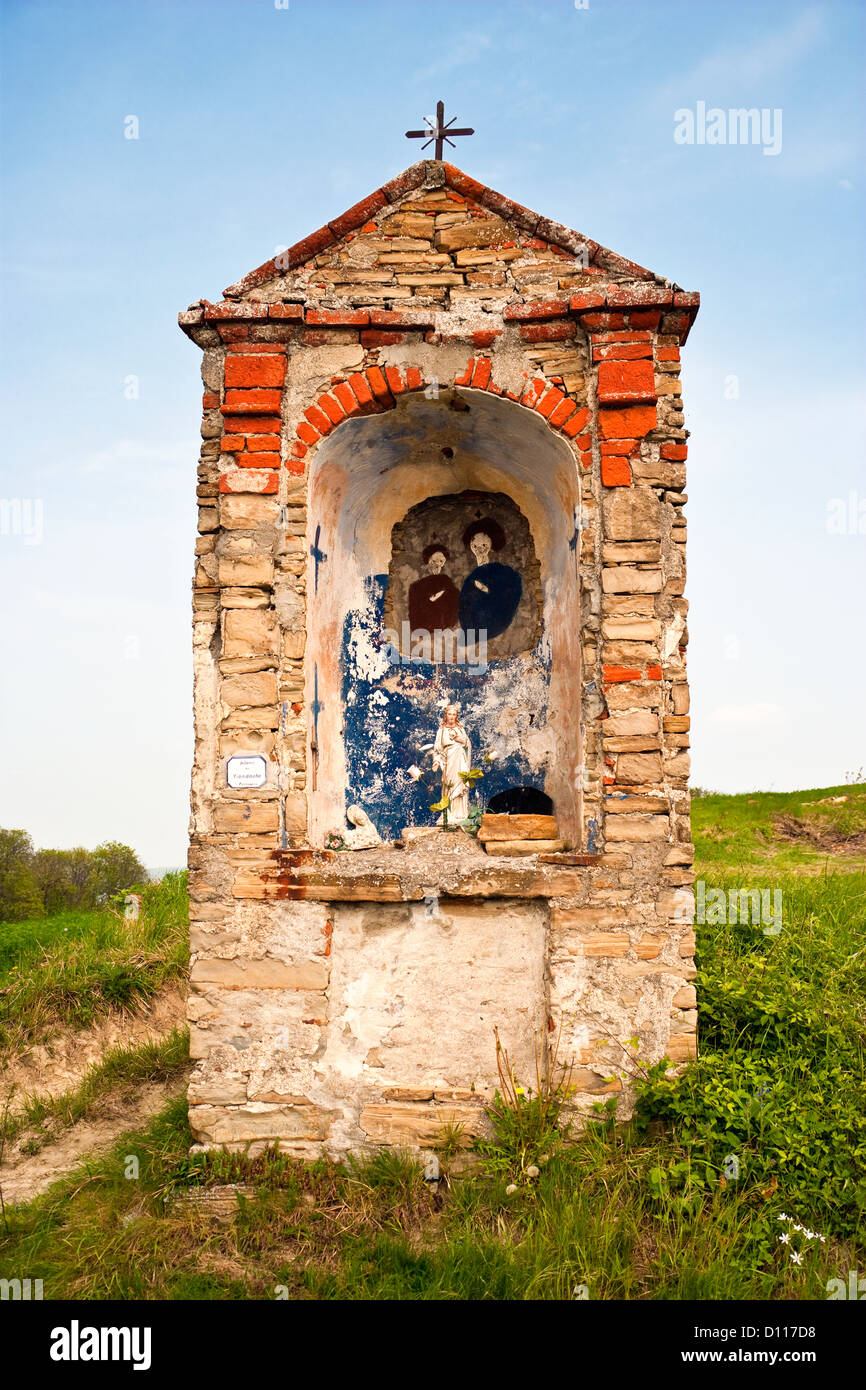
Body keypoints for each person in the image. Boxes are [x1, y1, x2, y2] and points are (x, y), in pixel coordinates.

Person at [458, 519, 522, 641]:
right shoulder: (465, 570)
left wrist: (484, 589)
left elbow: (503, 596)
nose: (479, 550)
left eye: (484, 545)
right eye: (475, 545)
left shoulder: (499, 571)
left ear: (491, 545)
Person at [408, 544, 460, 638]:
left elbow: (454, 601)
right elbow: (416, 610)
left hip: (445, 628)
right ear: (428, 561)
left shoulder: (447, 581)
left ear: (444, 562)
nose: (437, 565)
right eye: (433, 561)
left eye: (441, 561)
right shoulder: (417, 586)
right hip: (427, 629)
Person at [432, 704, 471, 823]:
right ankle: (448, 813)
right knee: (449, 784)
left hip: (460, 760)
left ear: (456, 716)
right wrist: (436, 761)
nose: (452, 716)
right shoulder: (441, 730)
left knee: (459, 783)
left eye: (454, 714)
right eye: (450, 714)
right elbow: (437, 749)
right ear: (446, 715)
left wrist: (459, 739)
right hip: (448, 760)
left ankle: (460, 813)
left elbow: (467, 744)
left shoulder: (460, 729)